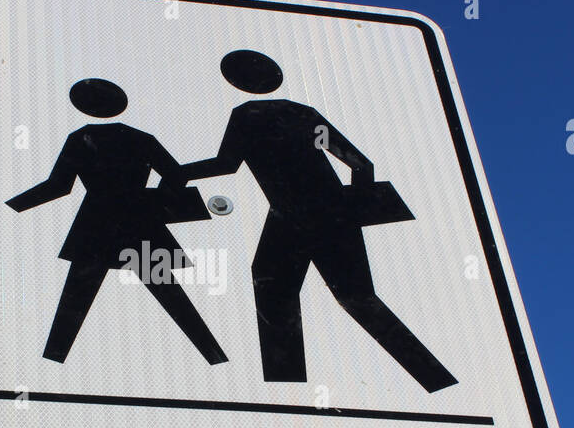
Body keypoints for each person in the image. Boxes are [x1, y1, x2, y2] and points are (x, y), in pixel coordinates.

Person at [182, 50, 457, 392]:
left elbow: (226, 163)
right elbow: (360, 164)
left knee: (281, 290)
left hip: (293, 215)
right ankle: (435, 380)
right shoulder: (303, 114)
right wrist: (356, 208)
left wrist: (180, 174)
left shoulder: (248, 116)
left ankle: (286, 386)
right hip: (332, 213)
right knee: (351, 296)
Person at [7, 78, 227, 366]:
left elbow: (59, 186)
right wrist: (157, 205)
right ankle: (215, 357)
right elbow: (176, 174)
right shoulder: (141, 138)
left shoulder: (81, 138)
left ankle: (52, 361)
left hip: (96, 224)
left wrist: (15, 205)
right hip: (140, 221)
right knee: (170, 294)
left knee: (77, 296)